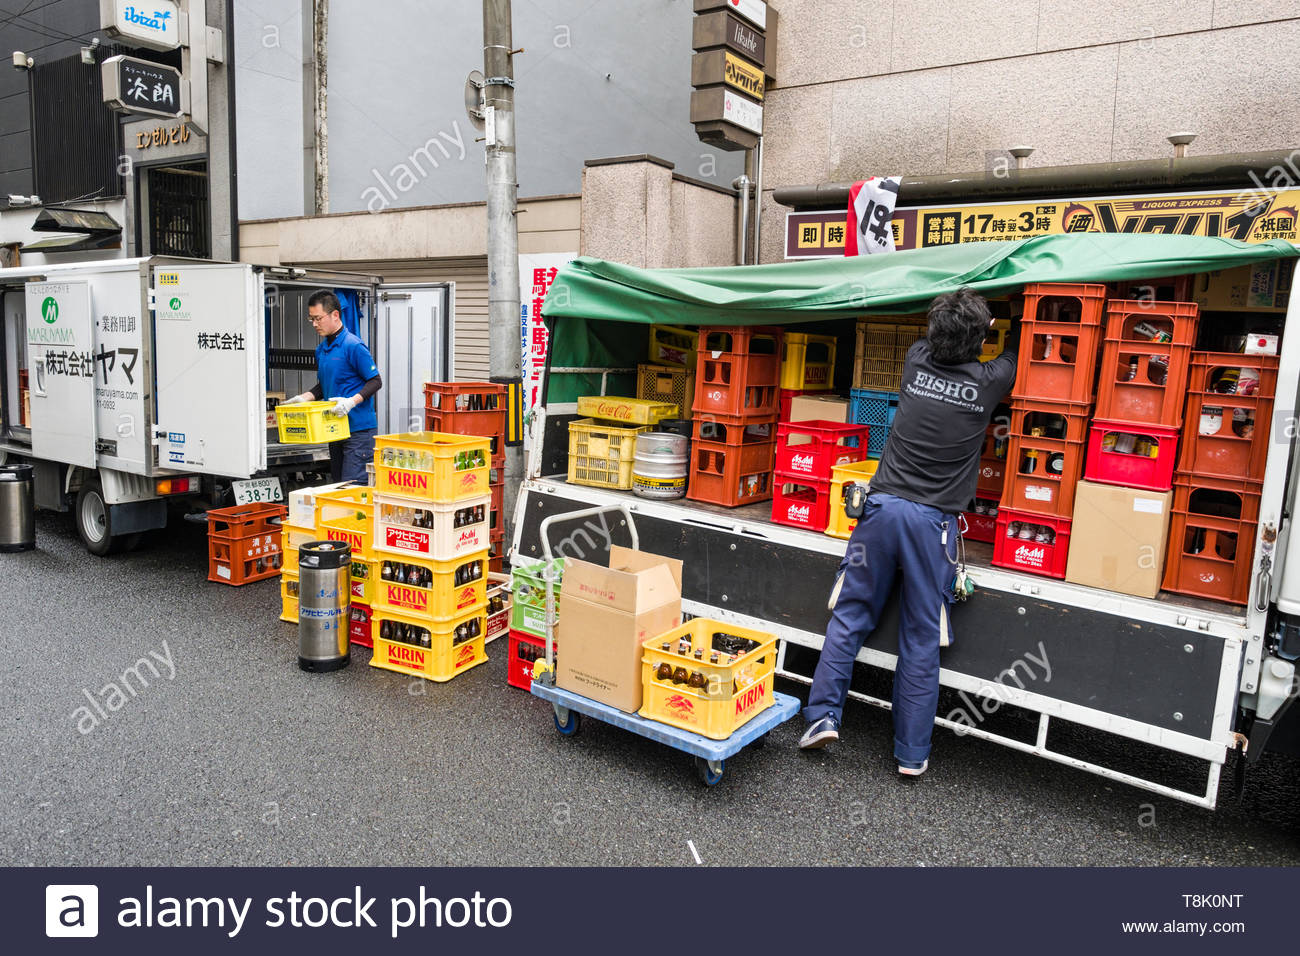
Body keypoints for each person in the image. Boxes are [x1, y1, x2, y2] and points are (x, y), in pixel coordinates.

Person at [799, 286, 1019, 777]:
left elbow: (949, 335)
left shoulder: (915, 361)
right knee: (920, 638)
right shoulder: (988, 382)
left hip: (878, 511)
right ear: (981, 338)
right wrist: (1009, 312)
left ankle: (821, 718)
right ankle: (911, 754)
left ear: (932, 332)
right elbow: (1016, 348)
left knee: (850, 617)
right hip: (930, 524)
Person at [281, 290, 382, 484]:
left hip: (358, 432)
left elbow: (375, 381)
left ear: (335, 315)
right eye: (311, 319)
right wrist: (306, 397)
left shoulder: (353, 346)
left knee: (352, 488)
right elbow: (327, 383)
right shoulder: (322, 350)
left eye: (318, 318)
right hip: (335, 428)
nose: (314, 324)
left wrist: (352, 402)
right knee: (337, 486)